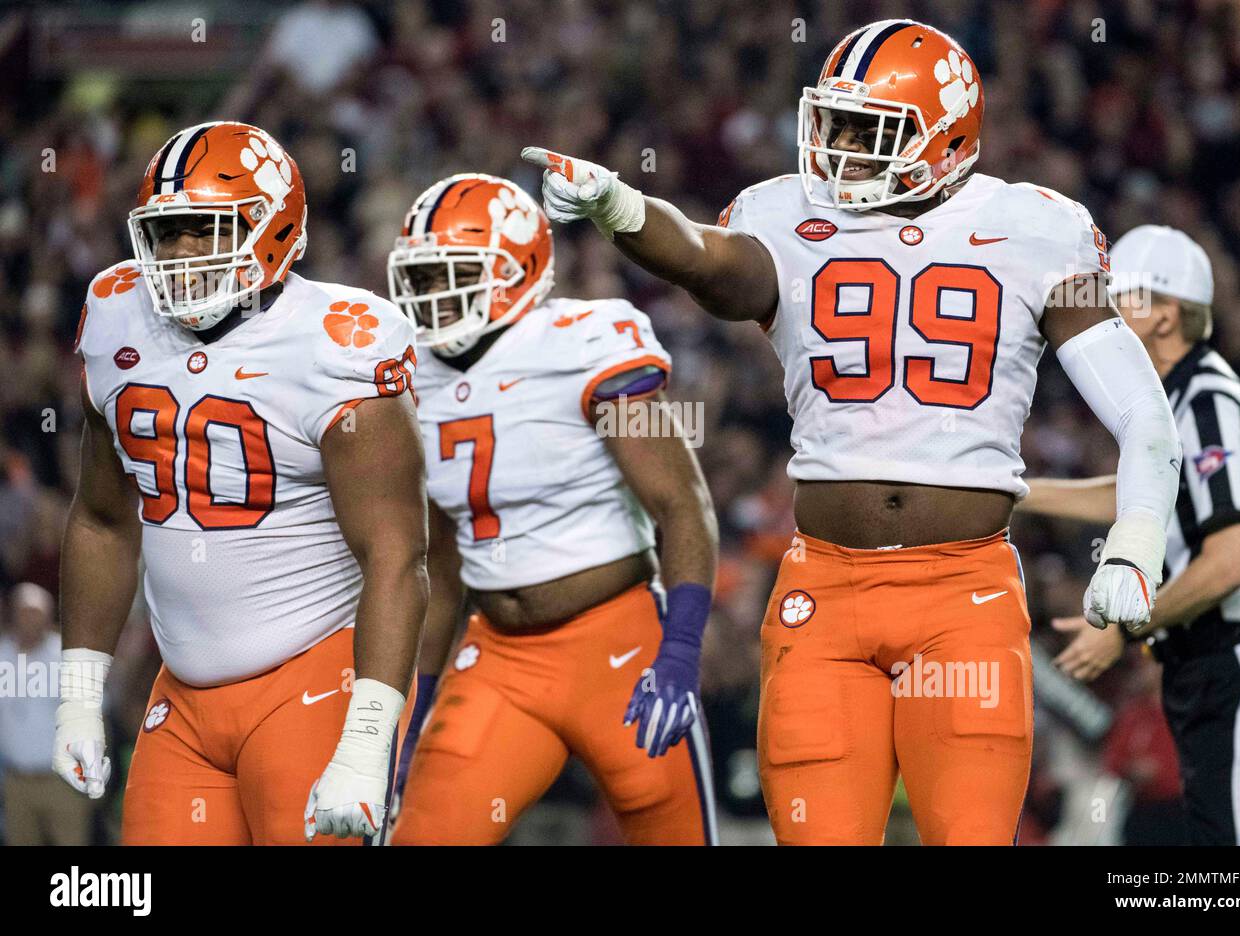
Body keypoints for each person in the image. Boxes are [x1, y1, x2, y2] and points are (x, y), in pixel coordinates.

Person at [522, 18, 1182, 844]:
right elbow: (706, 261)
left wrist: (1137, 540)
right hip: (823, 593)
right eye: (833, 122)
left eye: (867, 130)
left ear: (944, 137)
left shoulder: (1033, 227)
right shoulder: (784, 213)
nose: (838, 148)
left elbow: (1142, 411)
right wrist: (623, 206)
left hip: (964, 596)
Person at [54, 121, 428, 845]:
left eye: (205, 228)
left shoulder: (337, 344)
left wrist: (367, 739)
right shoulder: (114, 314)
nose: (182, 253)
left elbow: (397, 556)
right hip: (184, 700)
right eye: (166, 233)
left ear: (273, 228)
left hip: (314, 679)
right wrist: (77, 693)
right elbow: (101, 517)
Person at [387, 174, 719, 845]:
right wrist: (412, 707)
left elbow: (683, 506)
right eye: (420, 279)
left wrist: (680, 651)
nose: (432, 297)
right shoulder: (410, 375)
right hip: (499, 654)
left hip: (618, 644)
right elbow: (442, 566)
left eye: (451, 274)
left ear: (517, 269)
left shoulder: (584, 339)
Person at [1019, 225, 1240, 845]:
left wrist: (1124, 628)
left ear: (1168, 314)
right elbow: (1131, 491)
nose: (1109, 311)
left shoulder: (1206, 402)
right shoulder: (1178, 401)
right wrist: (1014, 488)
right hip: (1211, 661)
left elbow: (1231, 563)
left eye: (1126, 297)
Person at [0, 583, 94, 845]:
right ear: (13, 614)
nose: (30, 620)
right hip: (16, 781)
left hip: (62, 781)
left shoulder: (67, 657)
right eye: (25, 612)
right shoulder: (2, 654)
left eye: (37, 613)